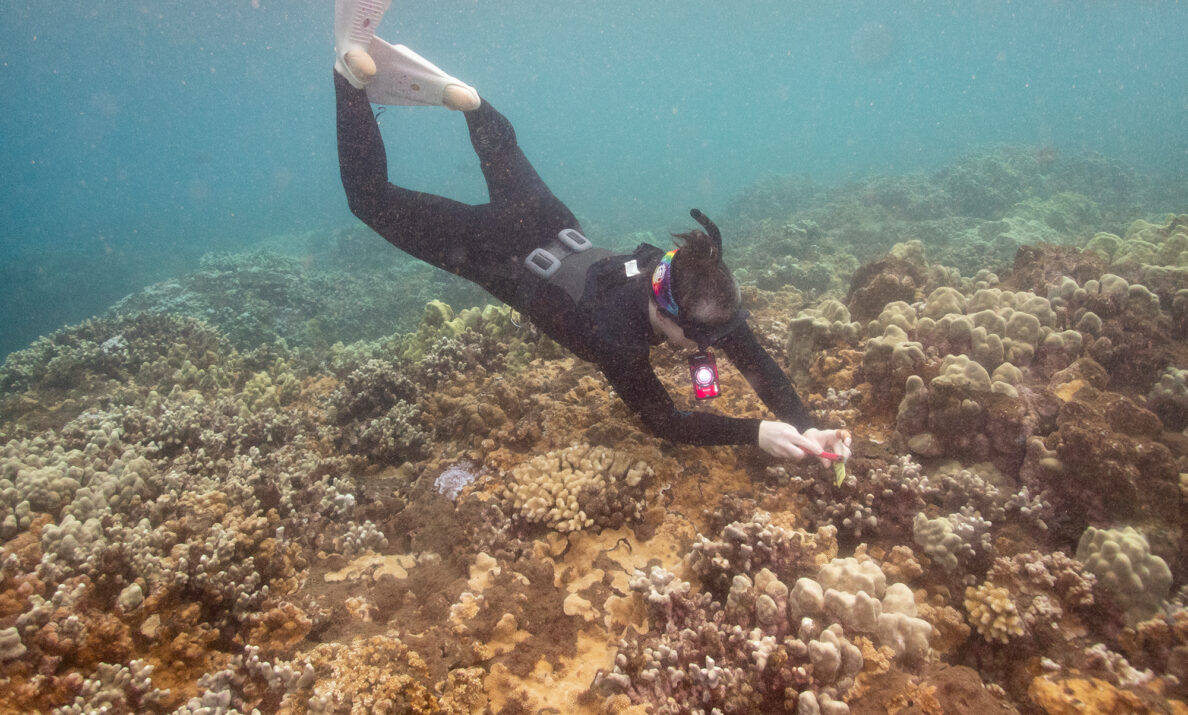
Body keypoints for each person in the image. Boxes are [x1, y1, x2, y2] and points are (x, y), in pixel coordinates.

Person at [332, 0, 851, 465]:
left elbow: (755, 360)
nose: (715, 347)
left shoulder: (690, 283)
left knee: (501, 151)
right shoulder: (616, 336)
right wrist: (754, 432)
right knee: (369, 200)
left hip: (547, 218)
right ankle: (347, 77)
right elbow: (664, 421)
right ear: (665, 312)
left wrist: (807, 427)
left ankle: (471, 103)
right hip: (500, 250)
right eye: (703, 340)